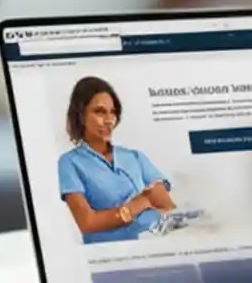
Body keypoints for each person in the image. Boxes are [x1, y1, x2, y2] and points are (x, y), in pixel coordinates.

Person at [58, 76, 175, 244]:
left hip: (158, 242)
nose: (108, 120)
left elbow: (165, 203)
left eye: (112, 112)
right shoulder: (70, 163)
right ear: (81, 115)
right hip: (113, 255)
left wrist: (123, 212)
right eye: (99, 112)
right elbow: (88, 223)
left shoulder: (134, 156)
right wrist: (141, 202)